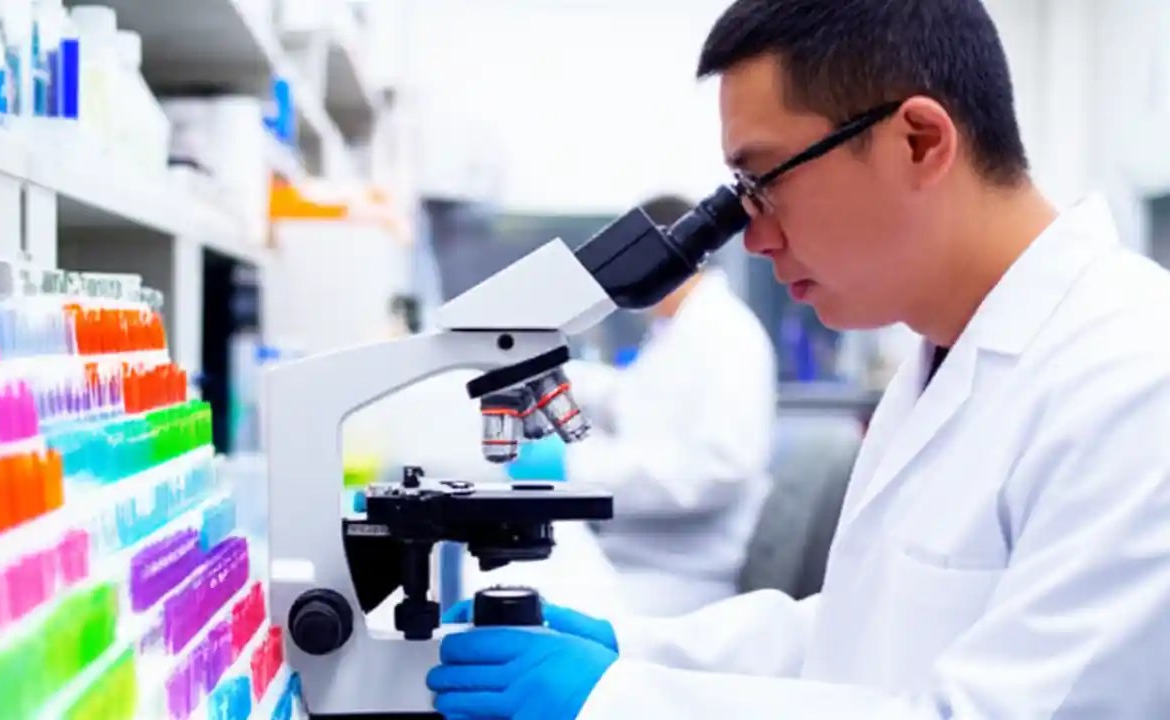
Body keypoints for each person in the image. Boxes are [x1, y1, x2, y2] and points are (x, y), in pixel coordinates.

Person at [426, 1, 1170, 718]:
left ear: (919, 141)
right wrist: (638, 650)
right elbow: (864, 635)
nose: (752, 238)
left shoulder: (1134, 381)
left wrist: (621, 701)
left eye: (765, 183)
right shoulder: (945, 356)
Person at [503, 193, 777, 618]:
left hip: (678, 577)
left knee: (514, 609)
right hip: (635, 556)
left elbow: (716, 469)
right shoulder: (680, 328)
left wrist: (572, 467)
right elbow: (636, 399)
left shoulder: (725, 335)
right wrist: (560, 374)